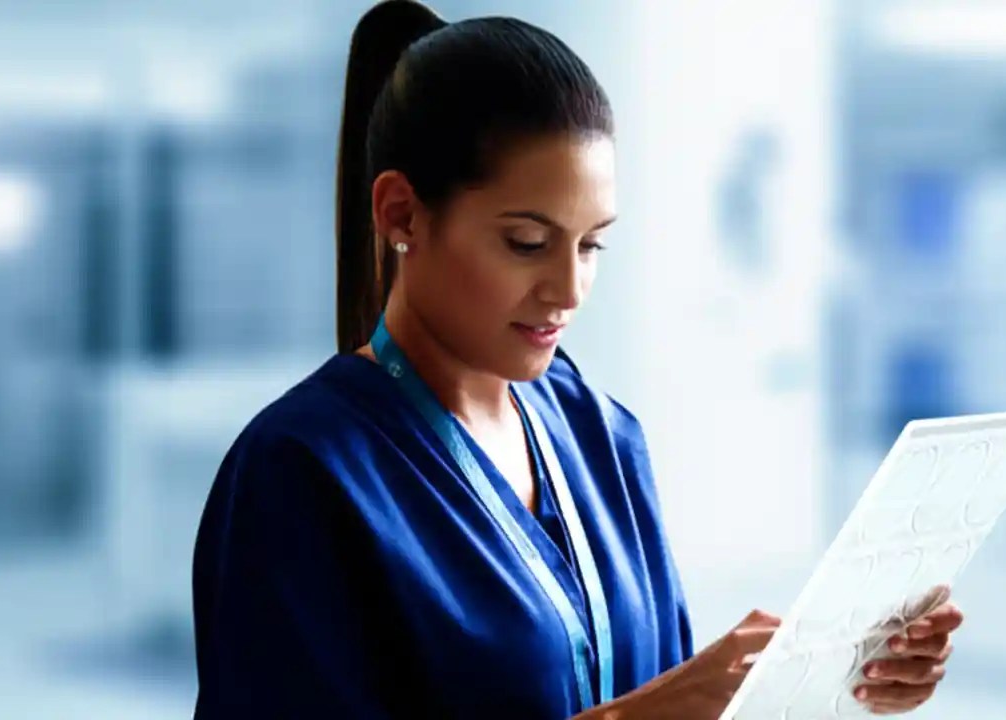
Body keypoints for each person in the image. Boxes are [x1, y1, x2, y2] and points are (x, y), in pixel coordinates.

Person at [190, 1, 964, 717]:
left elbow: (658, 689)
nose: (568, 288)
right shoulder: (301, 472)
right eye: (526, 243)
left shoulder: (599, 435)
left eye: (592, 244)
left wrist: (833, 680)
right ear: (401, 214)